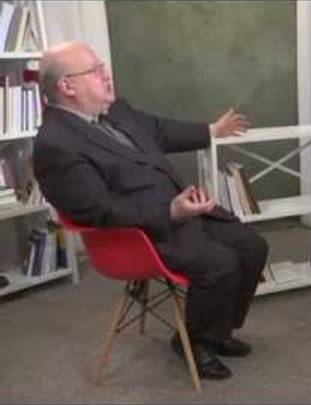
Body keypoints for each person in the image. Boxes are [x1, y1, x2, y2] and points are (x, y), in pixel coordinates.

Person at [34, 41, 268, 381]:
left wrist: (211, 131)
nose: (106, 75)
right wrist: (169, 211)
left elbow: (159, 130)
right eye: (95, 71)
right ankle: (193, 341)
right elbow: (98, 210)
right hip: (139, 234)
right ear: (67, 86)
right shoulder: (55, 144)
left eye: (103, 67)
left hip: (178, 212)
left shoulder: (115, 110)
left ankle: (216, 331)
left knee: (252, 246)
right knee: (221, 263)